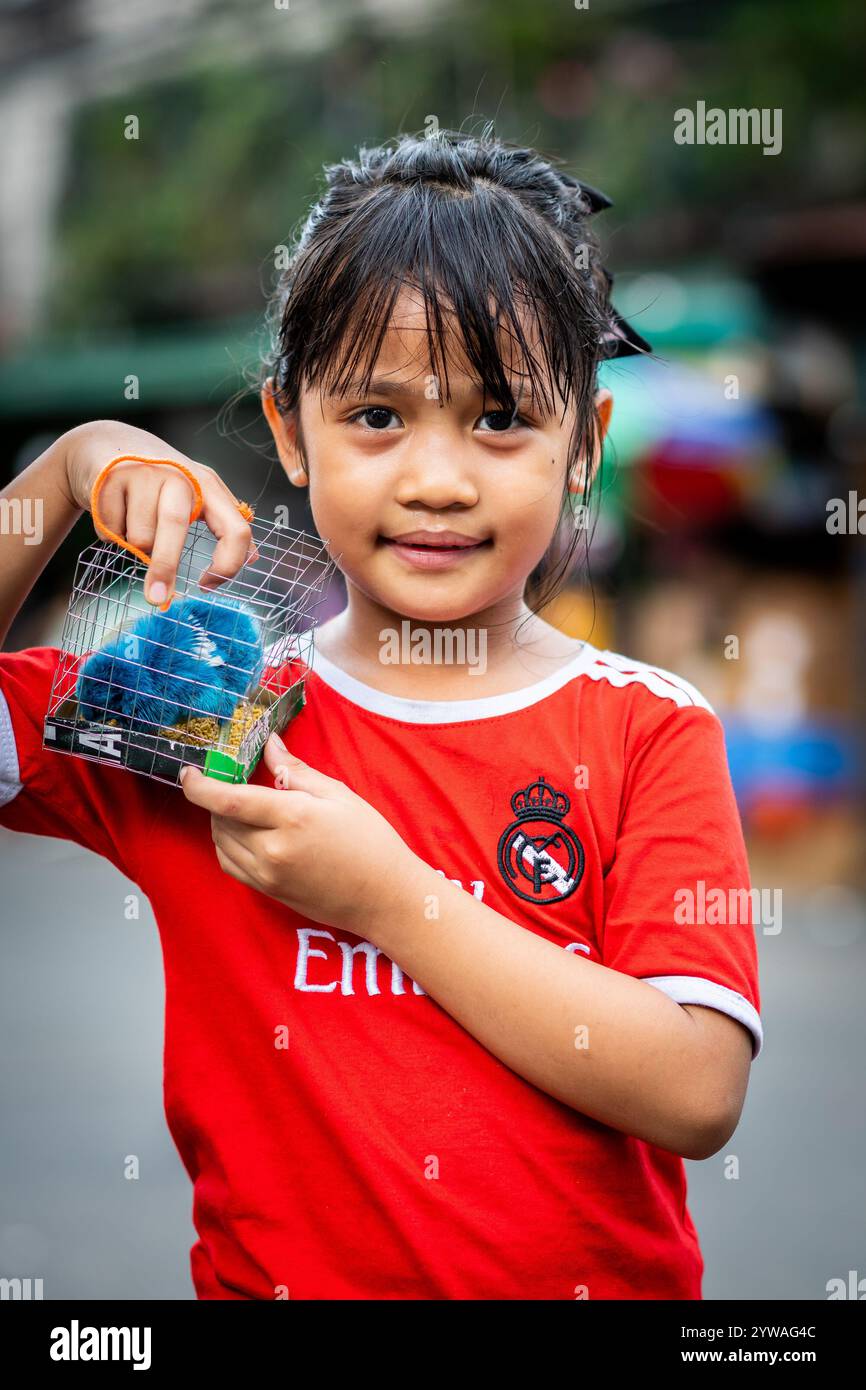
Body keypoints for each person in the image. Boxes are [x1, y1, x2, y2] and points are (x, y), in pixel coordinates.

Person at [0, 128, 761, 1300]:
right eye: (375, 416)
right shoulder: (195, 702)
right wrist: (64, 470)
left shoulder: (644, 727)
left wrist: (389, 899)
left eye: (501, 416)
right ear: (289, 432)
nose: (438, 477)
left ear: (584, 447)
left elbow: (695, 1089)